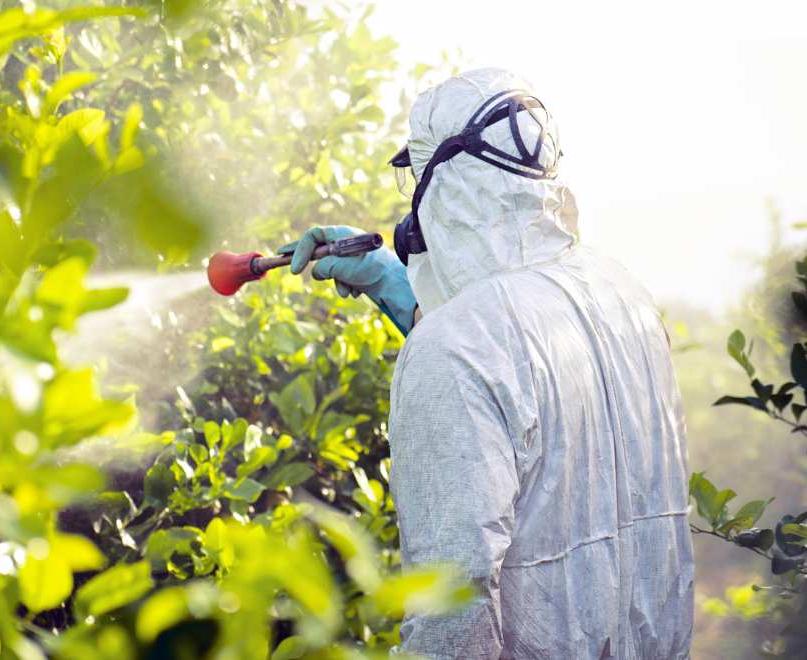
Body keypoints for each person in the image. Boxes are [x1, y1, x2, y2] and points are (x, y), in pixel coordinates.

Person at [286, 67, 694, 659]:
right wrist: (396, 286)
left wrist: (429, 328)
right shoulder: (621, 295)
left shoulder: (454, 351)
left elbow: (454, 609)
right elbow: (523, 374)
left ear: (444, 185)